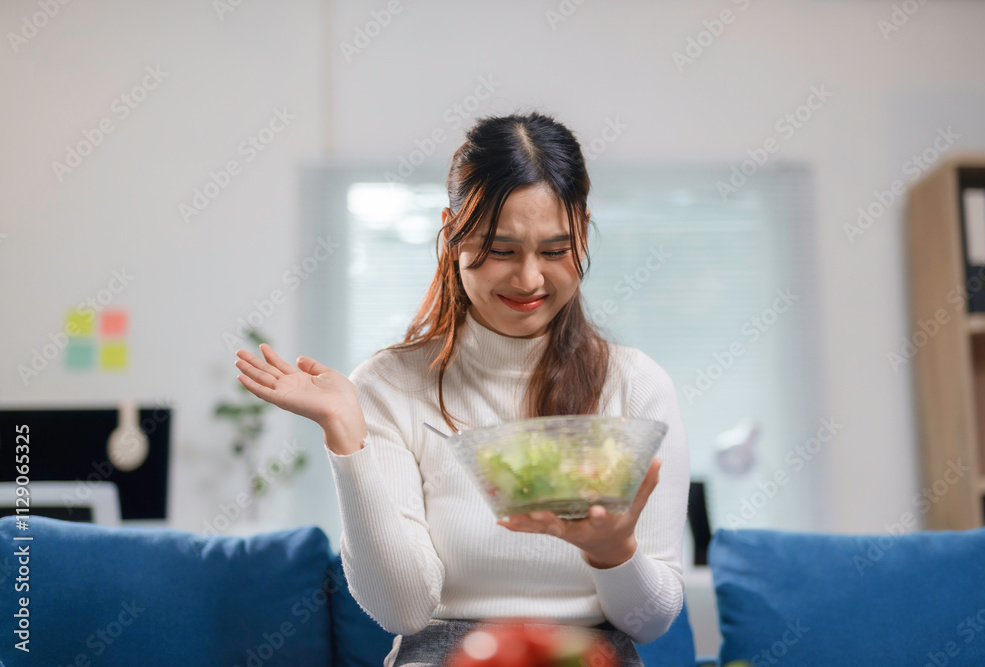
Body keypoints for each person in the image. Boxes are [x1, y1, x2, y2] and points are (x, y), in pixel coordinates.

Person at [233, 111, 690, 666]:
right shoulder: (388, 386)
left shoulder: (636, 387)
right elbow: (402, 610)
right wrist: (347, 439)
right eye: (501, 250)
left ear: (584, 233)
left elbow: (651, 622)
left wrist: (611, 552)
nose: (529, 279)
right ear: (451, 234)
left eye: (554, 250)